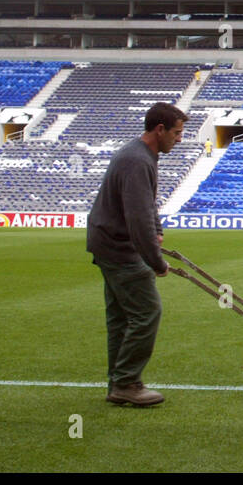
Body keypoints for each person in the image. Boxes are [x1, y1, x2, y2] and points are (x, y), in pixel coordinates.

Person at [86, 102, 188, 407]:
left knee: (121, 317)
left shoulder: (140, 155)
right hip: (119, 247)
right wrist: (156, 262)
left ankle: (119, 382)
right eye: (177, 133)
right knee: (146, 313)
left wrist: (157, 229)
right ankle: (127, 383)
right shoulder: (136, 161)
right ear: (160, 129)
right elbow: (137, 218)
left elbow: (147, 207)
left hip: (108, 242)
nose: (180, 139)